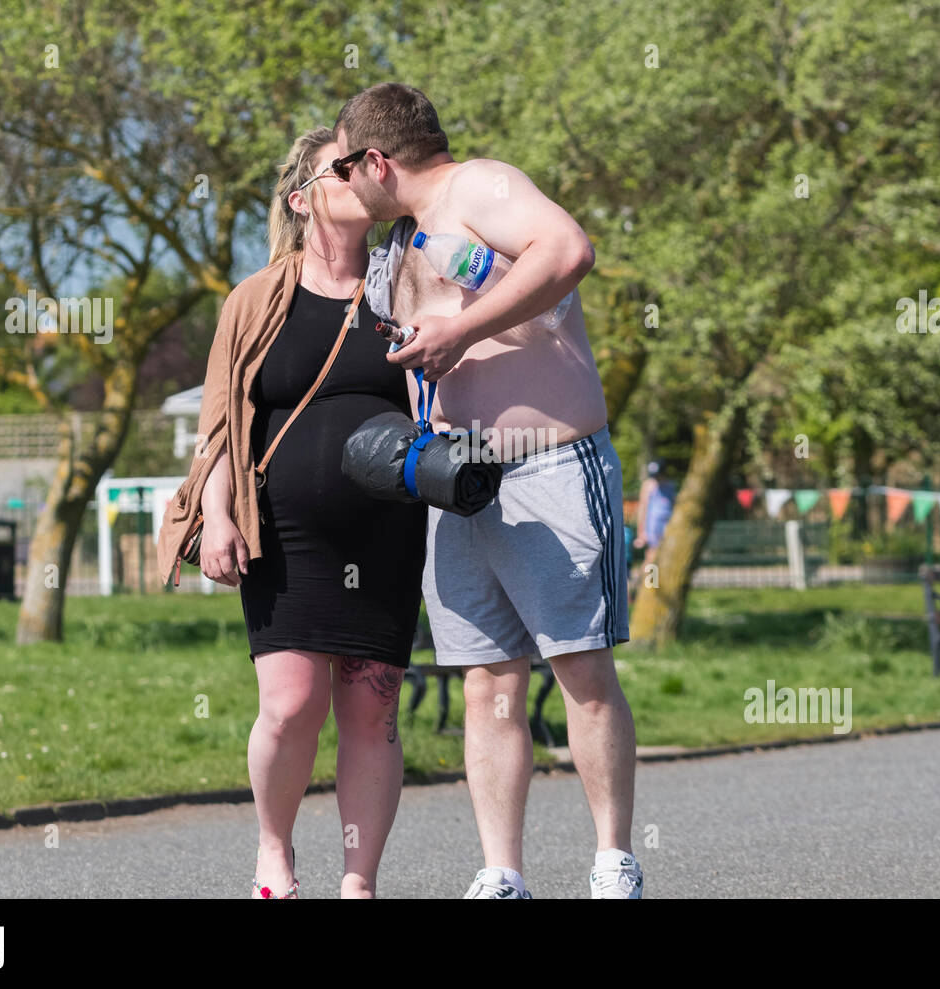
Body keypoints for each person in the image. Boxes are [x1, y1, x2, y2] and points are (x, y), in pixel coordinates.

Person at [334, 83, 641, 898]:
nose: (343, 182)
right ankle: (502, 872)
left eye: (342, 165)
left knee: (581, 668)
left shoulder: (480, 186)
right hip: (455, 485)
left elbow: (568, 249)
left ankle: (614, 860)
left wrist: (461, 327)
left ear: (375, 161)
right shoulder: (395, 248)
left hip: (549, 463)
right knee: (488, 682)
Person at [156, 126, 426, 899]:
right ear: (302, 200)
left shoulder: (404, 287)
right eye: (336, 170)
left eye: (361, 166)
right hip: (285, 531)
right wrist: (219, 512)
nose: (356, 178)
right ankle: (274, 850)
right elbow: (218, 424)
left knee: (373, 708)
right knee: (291, 703)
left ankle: (358, 880)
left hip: (387, 532)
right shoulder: (256, 298)